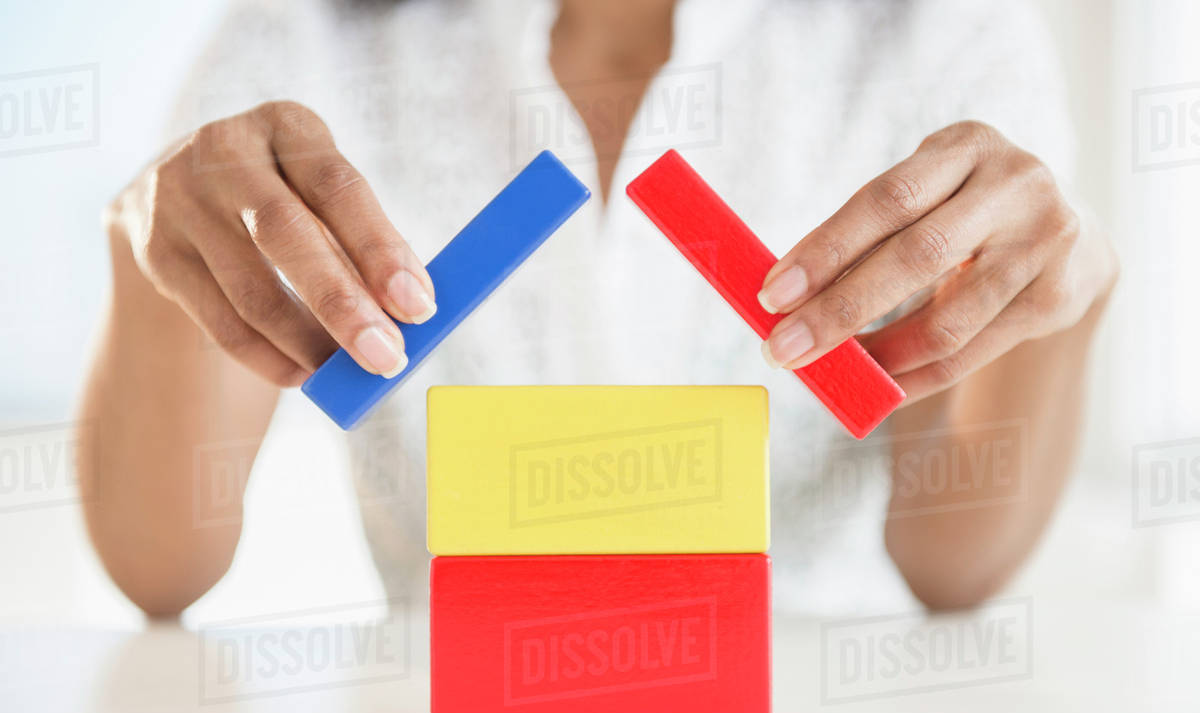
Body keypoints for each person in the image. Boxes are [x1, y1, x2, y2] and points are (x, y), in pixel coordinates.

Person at [79, 0, 1118, 617]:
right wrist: (153, 243)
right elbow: (159, 564)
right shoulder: (307, 34)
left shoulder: (943, 28)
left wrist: (1070, 290)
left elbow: (952, 563)